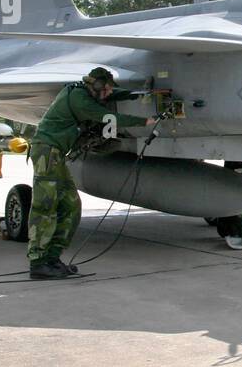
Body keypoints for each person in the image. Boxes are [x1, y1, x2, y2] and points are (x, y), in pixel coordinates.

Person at [27, 67, 154, 279]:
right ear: (95, 86)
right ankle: (38, 262)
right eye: (105, 90)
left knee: (71, 205)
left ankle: (52, 258)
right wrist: (144, 121)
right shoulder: (79, 99)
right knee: (45, 206)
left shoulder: (86, 92)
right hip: (46, 153)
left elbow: (113, 93)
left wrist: (138, 94)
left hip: (56, 154)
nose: (107, 94)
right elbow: (106, 116)